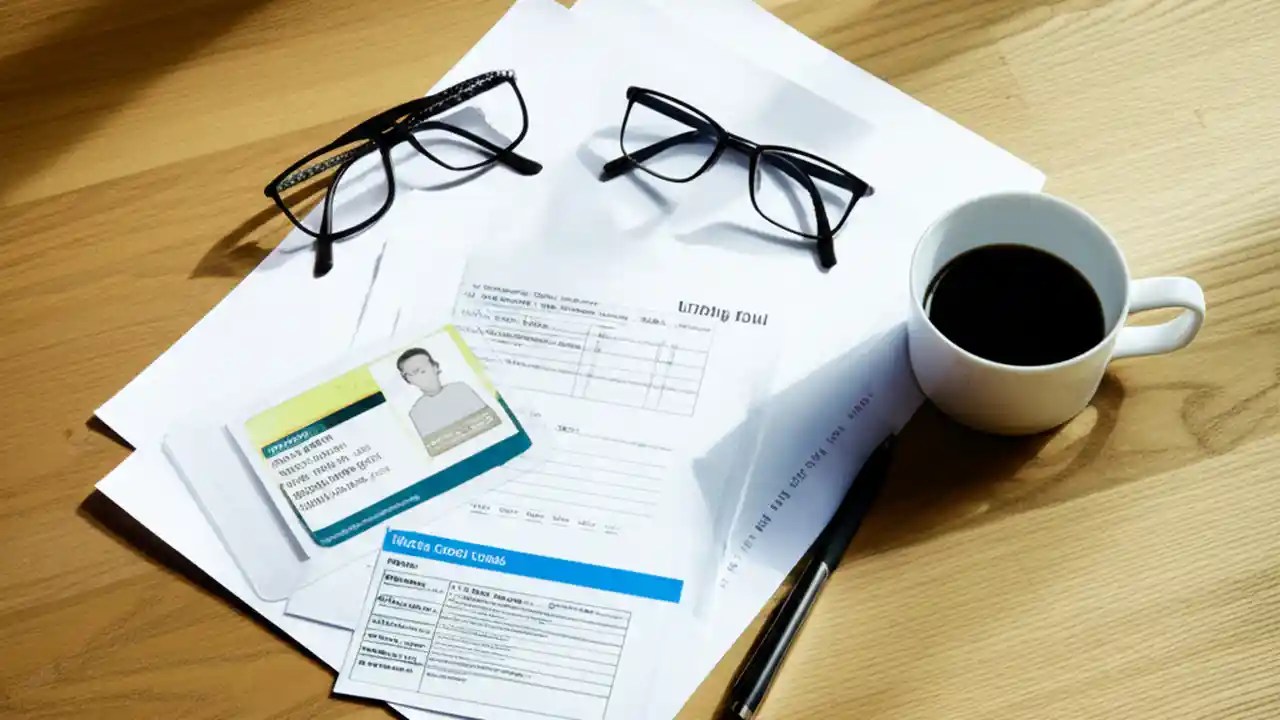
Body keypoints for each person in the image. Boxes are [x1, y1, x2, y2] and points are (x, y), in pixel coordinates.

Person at [397, 348, 491, 451]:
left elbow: (489, 421)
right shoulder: (416, 413)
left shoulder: (460, 389)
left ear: (435, 367)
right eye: (412, 373)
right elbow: (434, 447)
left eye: (421, 370)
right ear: (408, 380)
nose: (419, 375)